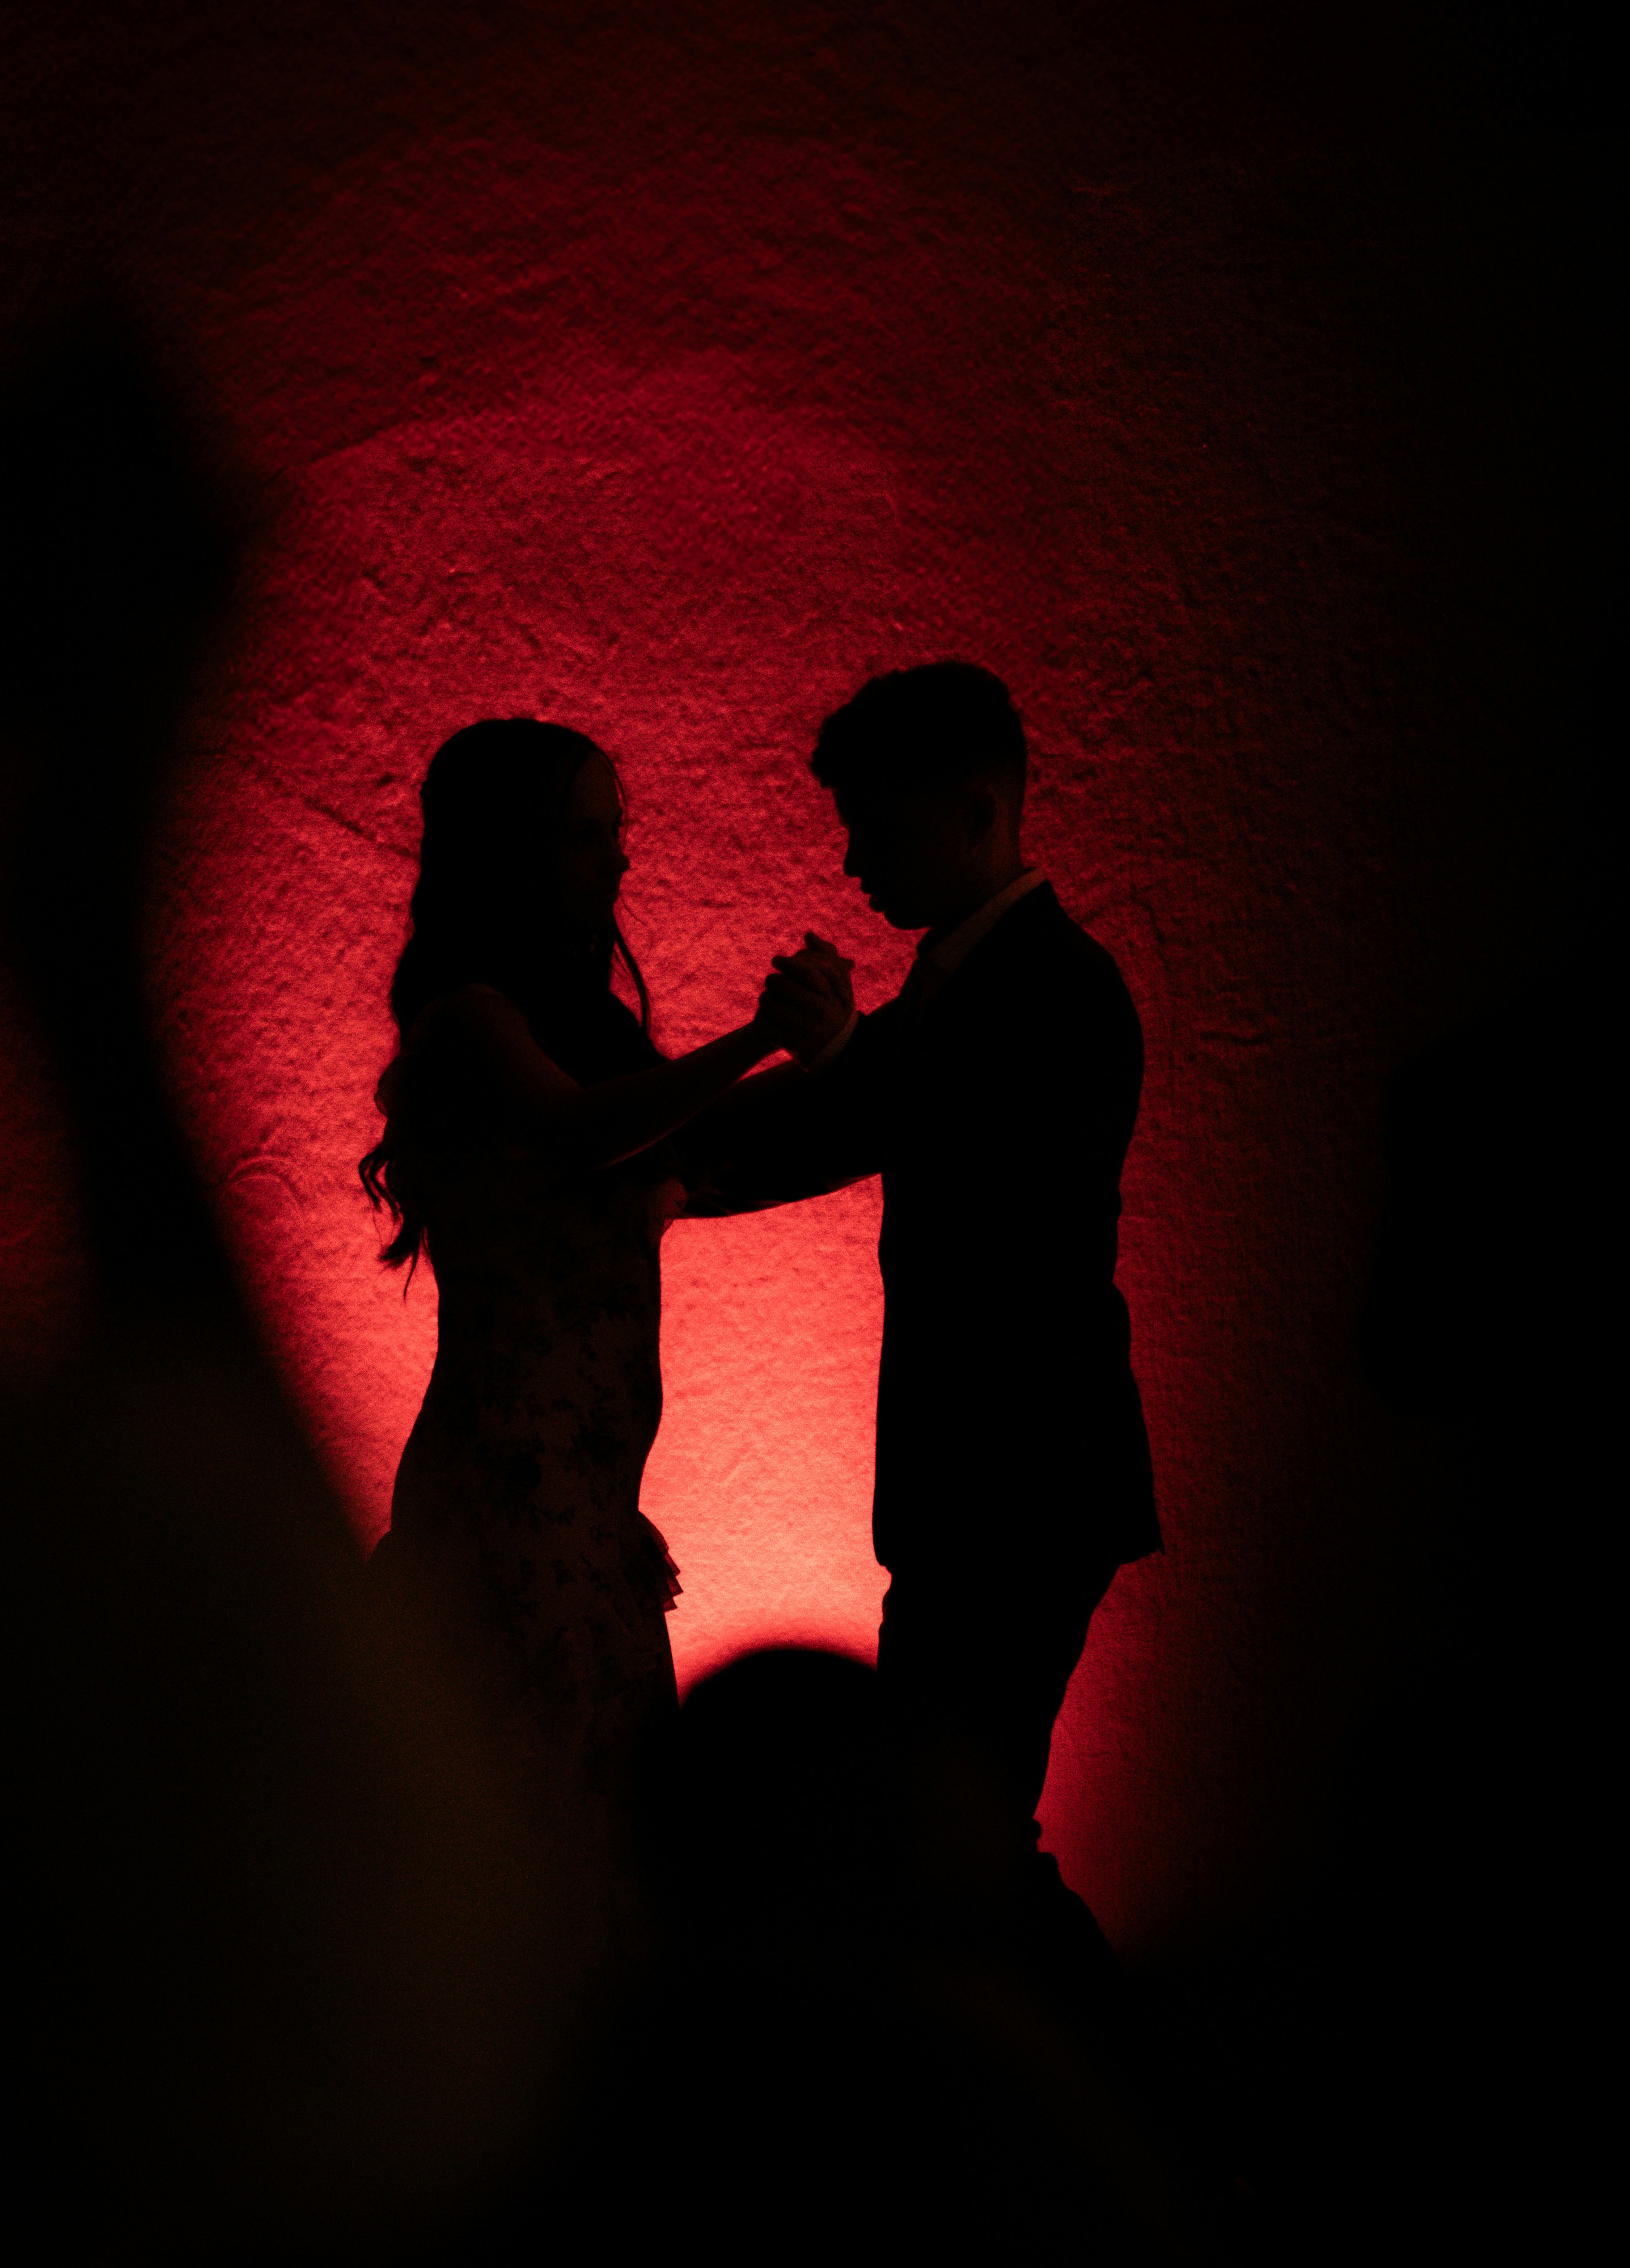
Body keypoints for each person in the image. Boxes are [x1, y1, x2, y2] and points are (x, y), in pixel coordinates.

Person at [686, 661, 1162, 1977]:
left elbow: (962, 1147)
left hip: (1018, 1487)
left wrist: (662, 1164)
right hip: (1005, 1491)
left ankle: (1135, 2106)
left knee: (955, 1844)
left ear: (976, 812)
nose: (850, 863)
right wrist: (658, 1175)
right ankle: (1130, 2112)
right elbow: (848, 1119)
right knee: (957, 1840)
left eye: (873, 829)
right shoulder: (975, 989)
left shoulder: (1063, 990)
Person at [359, 718, 795, 1835]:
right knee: (529, 1828)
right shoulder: (466, 1023)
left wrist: (879, 1074)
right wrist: (760, 1038)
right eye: (586, 832)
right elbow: (577, 1131)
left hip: (586, 1518)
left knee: (595, 1829)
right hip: (508, 1506)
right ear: (509, 854)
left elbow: (700, 1148)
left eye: (619, 828)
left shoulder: (580, 1034)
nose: (621, 858)